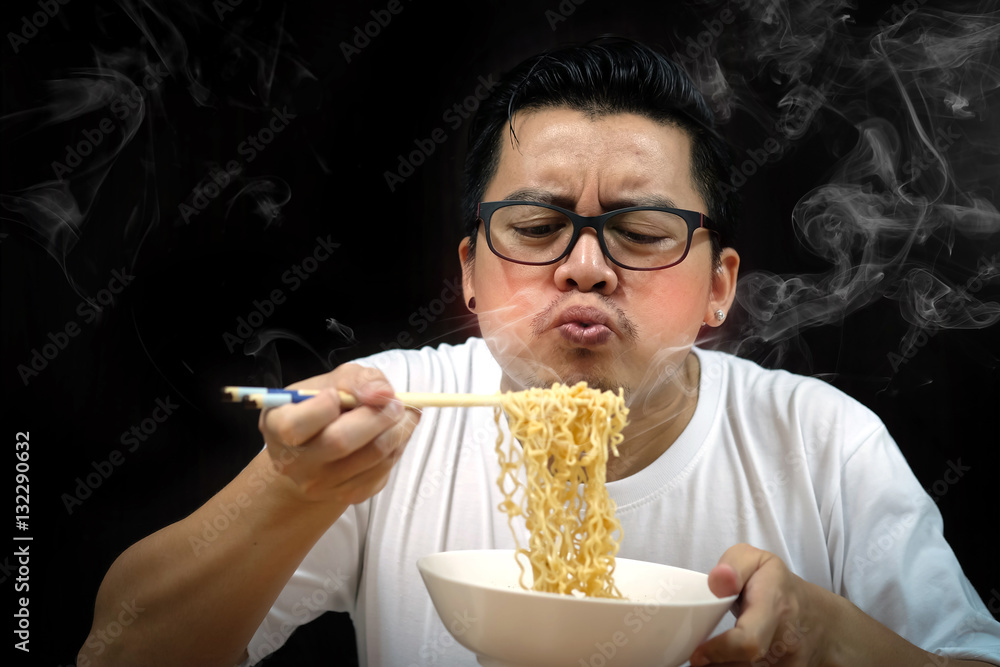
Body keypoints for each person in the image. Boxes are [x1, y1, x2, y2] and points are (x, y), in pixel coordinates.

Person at [82, 38, 1000, 667]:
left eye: (642, 231)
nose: (586, 266)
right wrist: (290, 493)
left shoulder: (824, 441)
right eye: (535, 226)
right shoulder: (389, 415)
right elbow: (117, 650)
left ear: (719, 287)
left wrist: (838, 643)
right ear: (470, 274)